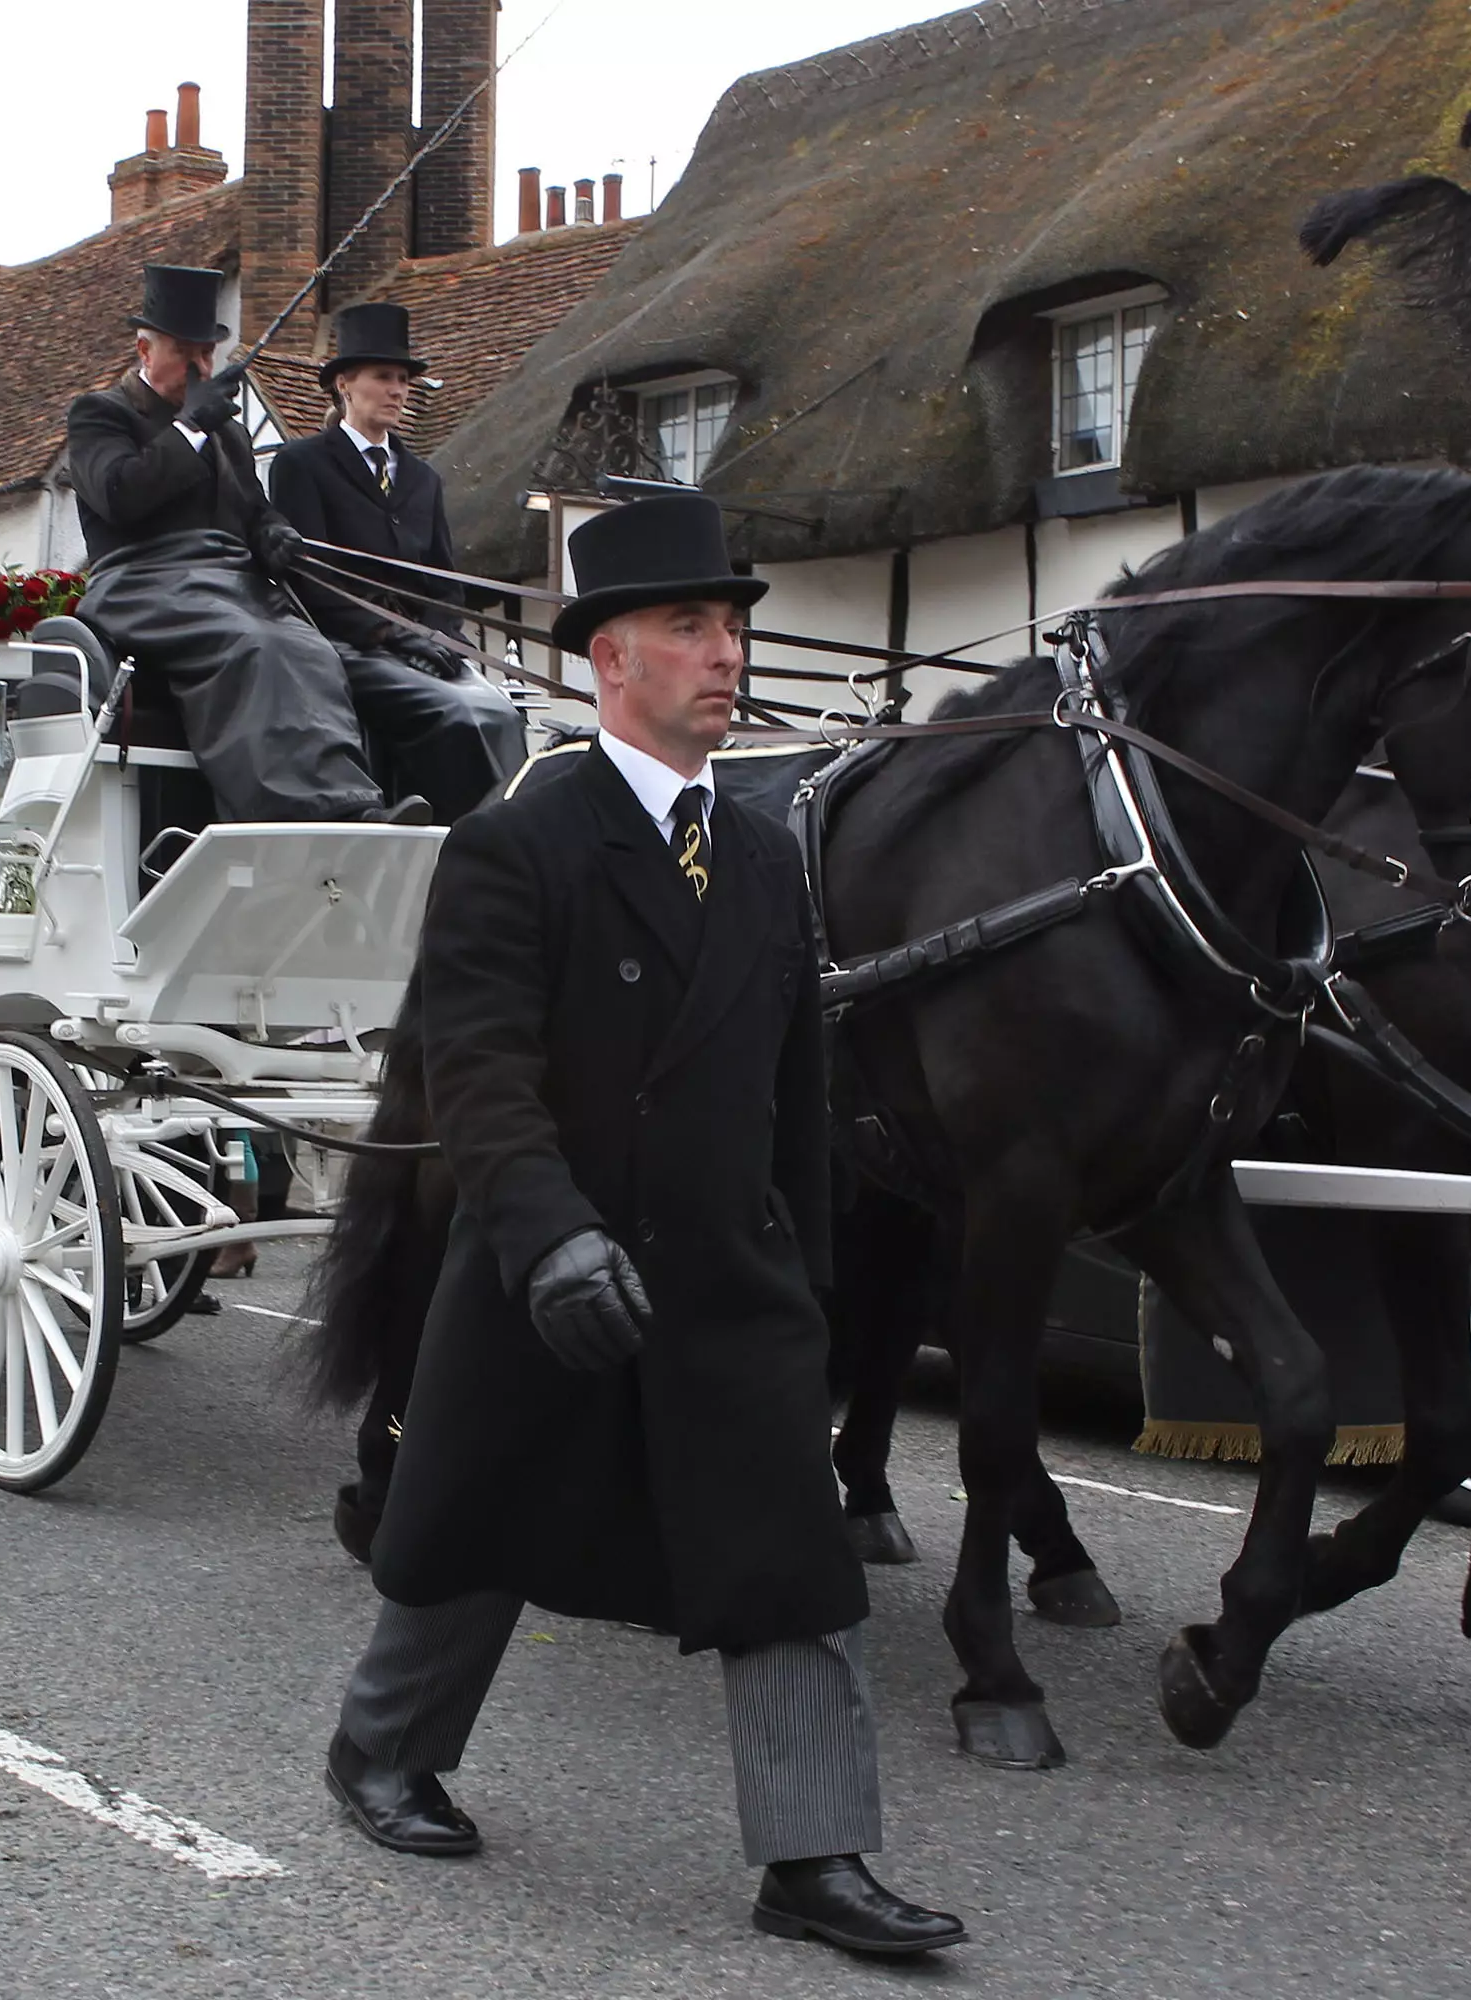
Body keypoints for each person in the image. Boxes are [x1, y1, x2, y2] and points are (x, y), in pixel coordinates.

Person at [325, 494, 965, 1959]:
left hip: (724, 1280)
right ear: (610, 656)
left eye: (733, 629)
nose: (725, 654)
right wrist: (546, 1236)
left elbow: (793, 1095)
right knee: (477, 1532)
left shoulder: (759, 859)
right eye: (691, 628)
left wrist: (805, 1283)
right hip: (553, 1269)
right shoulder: (518, 843)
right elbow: (473, 1070)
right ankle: (380, 1752)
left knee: (791, 1558)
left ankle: (815, 1859)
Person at [65, 264, 424, 827]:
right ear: (144, 348)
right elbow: (120, 496)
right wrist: (187, 431)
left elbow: (252, 510)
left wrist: (274, 533)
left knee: (312, 648)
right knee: (255, 643)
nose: (203, 368)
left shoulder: (225, 432)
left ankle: (349, 801)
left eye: (209, 354)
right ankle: (286, 814)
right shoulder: (102, 415)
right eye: (188, 354)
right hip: (144, 582)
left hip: (227, 582)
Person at [267, 301, 527, 821]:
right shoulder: (303, 466)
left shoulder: (423, 479)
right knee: (453, 714)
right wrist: (389, 635)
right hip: (349, 647)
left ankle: (515, 840)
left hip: (424, 648)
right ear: (344, 383)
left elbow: (444, 581)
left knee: (501, 713)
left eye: (403, 379)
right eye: (383, 377)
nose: (397, 390)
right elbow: (310, 581)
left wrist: (438, 635)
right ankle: (469, 840)